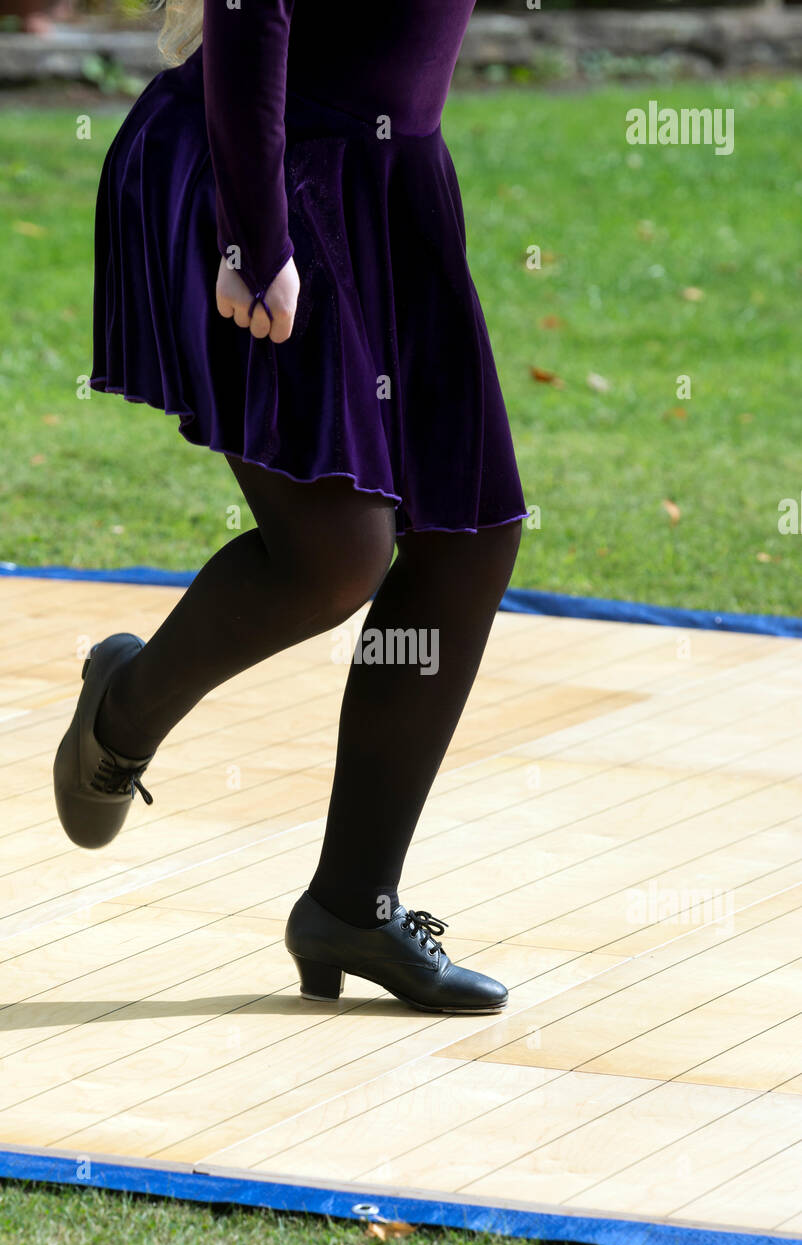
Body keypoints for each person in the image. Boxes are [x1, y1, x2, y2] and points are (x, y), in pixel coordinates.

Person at [54, 0, 529, 1015]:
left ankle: (355, 904)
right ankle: (123, 709)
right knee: (337, 557)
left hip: (390, 182)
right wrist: (252, 232)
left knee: (471, 533)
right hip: (261, 179)